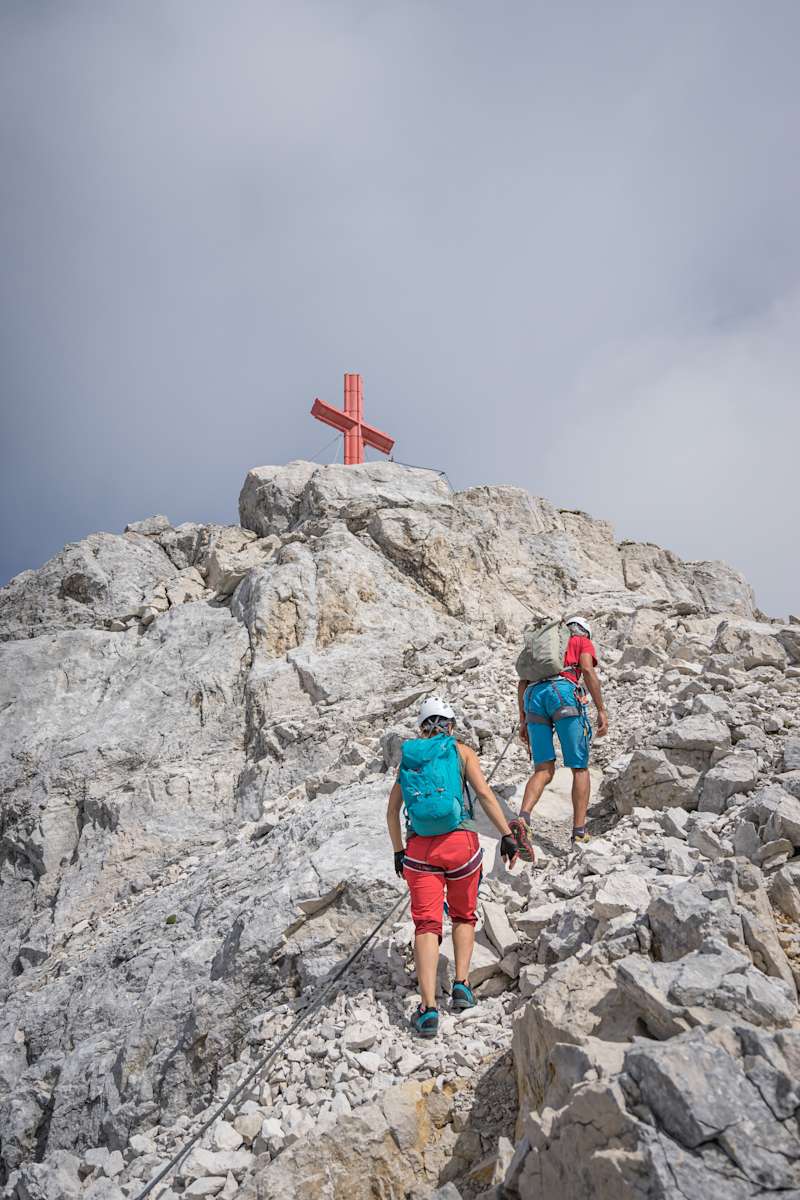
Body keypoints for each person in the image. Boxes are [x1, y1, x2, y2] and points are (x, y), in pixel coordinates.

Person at [386, 696, 519, 1039]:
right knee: (463, 915)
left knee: (427, 925)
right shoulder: (461, 752)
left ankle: (428, 1009)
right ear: (450, 724)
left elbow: (391, 812)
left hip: (419, 852)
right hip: (460, 845)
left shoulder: (412, 759)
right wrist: (507, 835)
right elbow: (486, 795)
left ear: (422, 727)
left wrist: (400, 851)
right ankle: (461, 986)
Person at [510, 616, 608, 858]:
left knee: (543, 769)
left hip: (534, 697)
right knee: (579, 767)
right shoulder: (580, 641)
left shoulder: (543, 649)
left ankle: (523, 820)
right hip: (563, 693)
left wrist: (523, 720)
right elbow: (586, 669)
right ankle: (578, 831)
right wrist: (601, 709)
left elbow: (522, 683)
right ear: (585, 632)